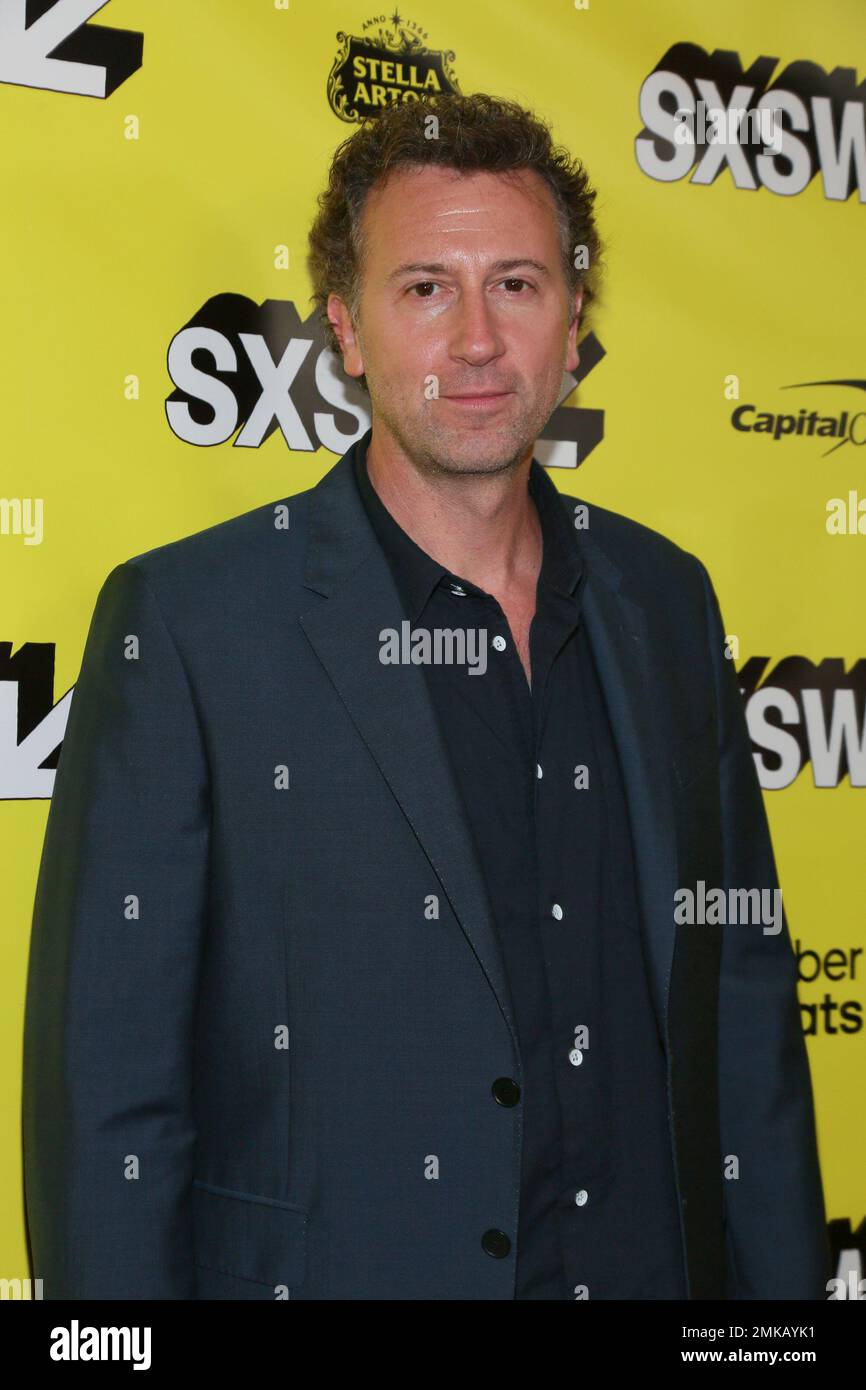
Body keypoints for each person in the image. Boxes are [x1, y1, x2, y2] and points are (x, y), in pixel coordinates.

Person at [23, 92, 830, 1300]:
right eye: (422, 289)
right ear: (344, 329)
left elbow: (745, 1022)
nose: (474, 341)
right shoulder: (191, 626)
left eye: (515, 284)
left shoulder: (663, 601)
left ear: (571, 325)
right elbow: (108, 1101)